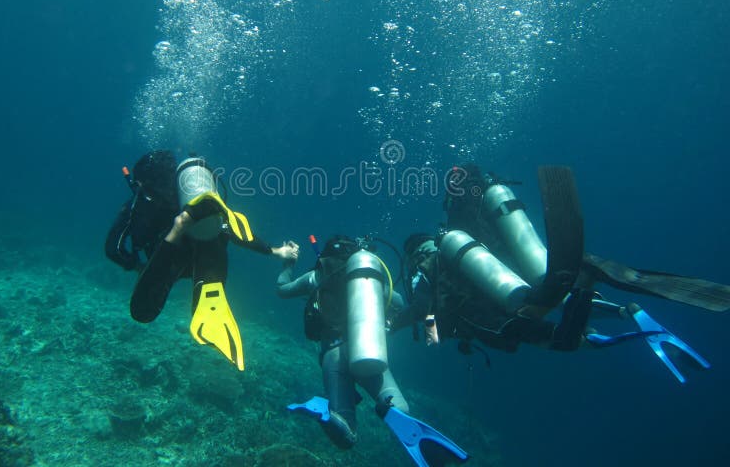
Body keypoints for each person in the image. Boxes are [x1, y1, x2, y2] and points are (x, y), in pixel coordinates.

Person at [392, 164, 730, 383]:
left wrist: (416, 331)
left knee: (530, 331)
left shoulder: (429, 264)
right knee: (552, 289)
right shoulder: (478, 234)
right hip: (528, 278)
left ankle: (582, 327)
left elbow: (425, 312)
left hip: (499, 307)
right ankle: (626, 310)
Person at [280, 235, 468, 466]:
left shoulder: (315, 278)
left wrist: (288, 265)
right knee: (399, 406)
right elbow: (399, 302)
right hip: (366, 346)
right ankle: (389, 409)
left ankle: (328, 415)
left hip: (332, 354)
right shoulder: (366, 277)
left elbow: (282, 289)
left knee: (346, 433)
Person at [106, 151, 298, 370]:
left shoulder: (136, 205)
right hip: (205, 252)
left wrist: (137, 266)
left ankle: (179, 228)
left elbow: (113, 249)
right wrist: (275, 251)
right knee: (219, 228)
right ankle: (197, 222)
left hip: (170, 257)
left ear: (141, 182)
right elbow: (236, 234)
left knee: (200, 235)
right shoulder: (182, 195)